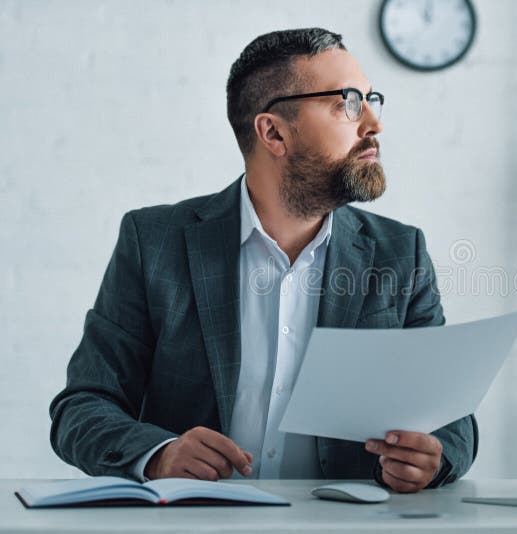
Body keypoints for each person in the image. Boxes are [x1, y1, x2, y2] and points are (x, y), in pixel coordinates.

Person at [49, 28, 477, 493]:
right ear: (273, 131)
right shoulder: (154, 242)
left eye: (371, 99)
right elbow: (83, 406)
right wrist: (158, 454)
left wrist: (433, 457)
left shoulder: (401, 252)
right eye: (348, 103)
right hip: (199, 523)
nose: (372, 122)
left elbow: (451, 420)